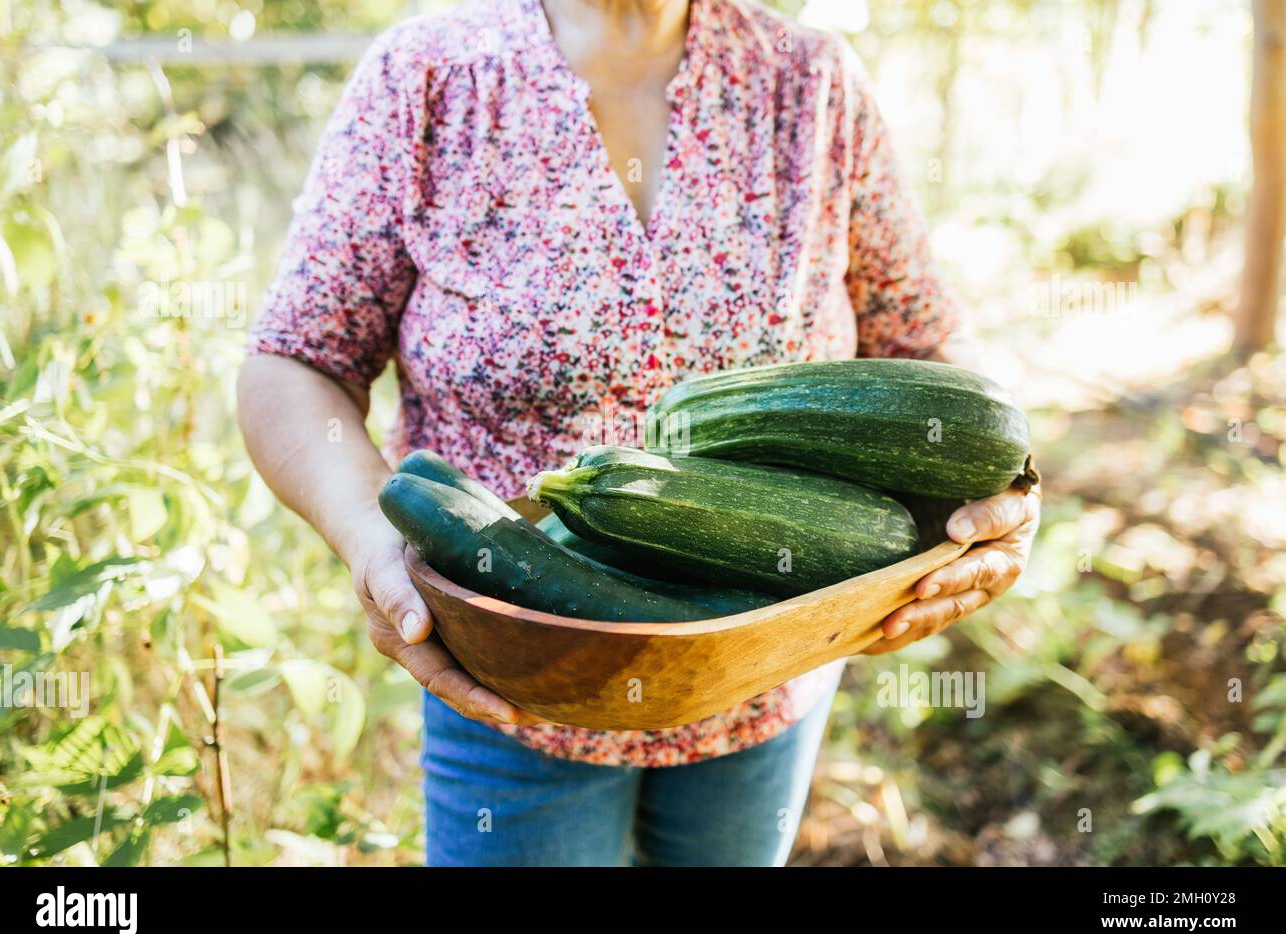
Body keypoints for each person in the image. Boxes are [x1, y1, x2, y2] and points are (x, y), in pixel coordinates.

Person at [237, 0, 1040, 866]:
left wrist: (1002, 491)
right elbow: (296, 362)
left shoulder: (810, 79)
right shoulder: (428, 78)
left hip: (766, 674)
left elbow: (923, 343)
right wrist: (370, 536)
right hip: (512, 677)